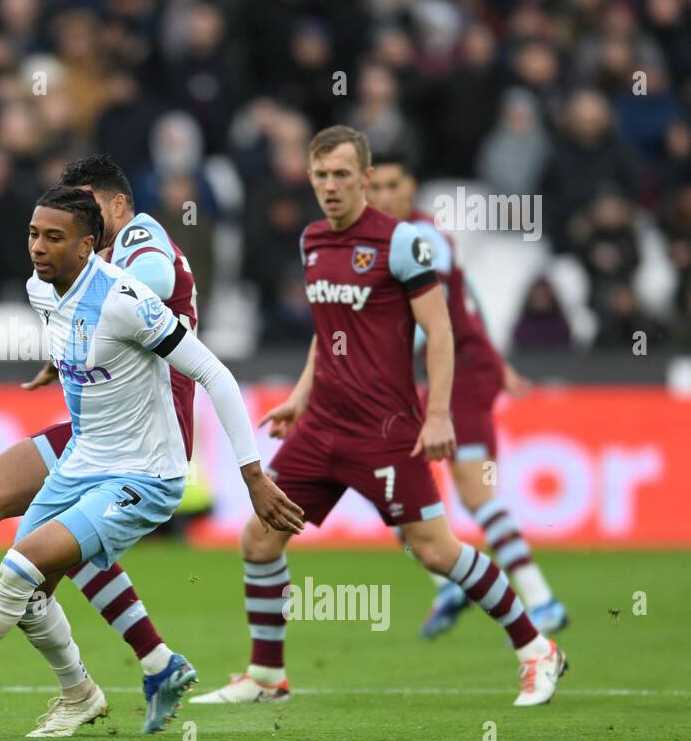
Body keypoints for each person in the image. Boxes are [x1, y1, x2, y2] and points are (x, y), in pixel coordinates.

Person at [0, 184, 301, 736]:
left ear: (91, 239)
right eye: (33, 235)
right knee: (31, 588)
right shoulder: (41, 289)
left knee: (21, 565)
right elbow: (75, 326)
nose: (38, 247)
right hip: (83, 455)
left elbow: (211, 367)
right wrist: (63, 358)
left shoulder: (127, 290)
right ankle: (86, 690)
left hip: (144, 465)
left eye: (53, 237)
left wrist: (252, 474)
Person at [191, 126, 567, 708]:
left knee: (437, 551)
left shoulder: (402, 243)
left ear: (365, 178)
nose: (330, 186)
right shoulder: (313, 240)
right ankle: (266, 676)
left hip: (385, 431)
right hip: (321, 427)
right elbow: (328, 331)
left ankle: (537, 648)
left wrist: (437, 415)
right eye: (321, 175)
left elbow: (439, 331)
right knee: (260, 539)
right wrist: (300, 395)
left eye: (342, 174)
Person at [366, 154, 568, 638]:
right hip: (445, 372)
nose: (383, 196)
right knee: (381, 472)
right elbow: (466, 293)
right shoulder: (394, 239)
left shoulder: (422, 238)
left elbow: (430, 314)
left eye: (393, 185)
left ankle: (542, 601)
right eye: (375, 186)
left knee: (475, 491)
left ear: (411, 188)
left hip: (464, 373)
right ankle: (449, 584)